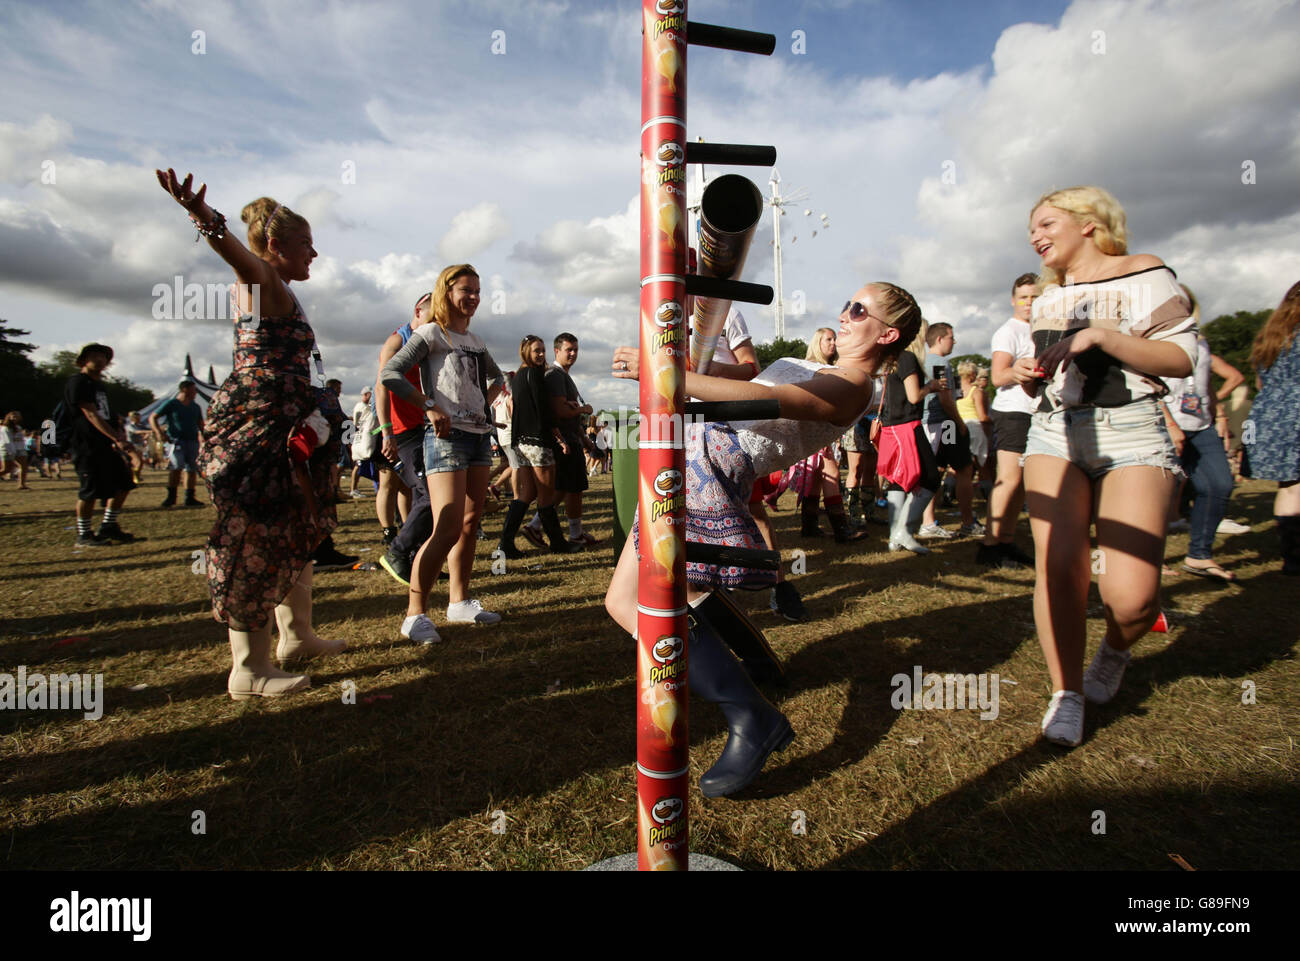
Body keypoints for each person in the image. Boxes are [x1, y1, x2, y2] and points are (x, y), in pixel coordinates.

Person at [607, 282, 922, 796]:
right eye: (846, 302)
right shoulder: (818, 364)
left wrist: (668, 375)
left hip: (707, 469)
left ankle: (750, 714)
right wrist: (669, 359)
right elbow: (742, 377)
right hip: (690, 457)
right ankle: (752, 683)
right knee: (633, 599)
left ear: (887, 333)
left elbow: (770, 398)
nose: (844, 312)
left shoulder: (855, 384)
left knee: (648, 599)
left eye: (858, 309)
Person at [156, 169, 348, 699]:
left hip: (285, 422)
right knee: (256, 537)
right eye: (305, 244)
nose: (315, 253)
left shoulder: (279, 285)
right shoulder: (260, 277)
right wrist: (203, 217)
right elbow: (234, 255)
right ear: (272, 245)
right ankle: (249, 669)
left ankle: (296, 636)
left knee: (294, 530)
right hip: (262, 429)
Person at [1021, 186, 1195, 748]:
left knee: (1134, 596)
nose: (1035, 237)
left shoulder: (1144, 271)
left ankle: (1115, 651)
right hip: (1055, 431)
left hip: (1132, 431)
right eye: (1031, 230)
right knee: (1059, 567)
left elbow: (1180, 357)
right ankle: (1065, 692)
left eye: (1046, 223)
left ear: (1088, 223)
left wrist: (1101, 335)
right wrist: (1030, 376)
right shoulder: (1048, 298)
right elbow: (1053, 371)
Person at [380, 263, 506, 641]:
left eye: (478, 291)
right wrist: (429, 405)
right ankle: (415, 614)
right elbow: (390, 373)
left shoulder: (476, 341)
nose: (473, 298)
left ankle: (459, 603)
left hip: (478, 438)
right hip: (445, 439)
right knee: (447, 525)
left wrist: (480, 407)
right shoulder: (430, 333)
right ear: (446, 291)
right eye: (466, 290)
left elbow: (498, 378)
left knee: (470, 524)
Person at [1161, 285, 1246, 581]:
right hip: (1164, 425)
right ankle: (1148, 558)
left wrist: (1220, 414)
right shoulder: (1153, 339)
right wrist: (1169, 423)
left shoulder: (1200, 341)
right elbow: (1146, 385)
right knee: (1158, 496)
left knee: (1220, 485)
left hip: (1202, 424)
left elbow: (1206, 382)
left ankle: (1199, 555)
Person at [978, 274, 1040, 568]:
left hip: (1037, 411)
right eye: (1024, 297)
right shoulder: (1009, 331)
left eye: (1036, 297)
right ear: (1014, 300)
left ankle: (1006, 540)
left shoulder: (1042, 329)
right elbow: (998, 376)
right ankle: (990, 546)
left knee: (1023, 483)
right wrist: (1021, 370)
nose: (1029, 303)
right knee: (1009, 479)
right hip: (1014, 411)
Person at [499, 336, 580, 558]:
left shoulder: (518, 377)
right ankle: (557, 542)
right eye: (537, 351)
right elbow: (543, 410)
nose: (541, 355)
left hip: (520, 442)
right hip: (537, 441)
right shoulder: (535, 375)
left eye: (543, 350)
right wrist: (559, 437)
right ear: (525, 351)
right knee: (546, 494)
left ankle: (505, 543)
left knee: (527, 494)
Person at [377, 294, 437, 586]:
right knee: (427, 492)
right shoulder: (397, 341)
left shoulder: (425, 342)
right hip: (402, 431)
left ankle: (417, 559)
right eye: (434, 317)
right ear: (418, 311)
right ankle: (398, 553)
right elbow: (381, 387)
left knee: (428, 492)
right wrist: (386, 431)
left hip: (423, 427)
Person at [520, 333, 600, 547]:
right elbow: (560, 410)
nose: (573, 353)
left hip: (571, 437)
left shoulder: (562, 375)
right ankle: (546, 528)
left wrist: (584, 438)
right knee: (569, 488)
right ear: (557, 351)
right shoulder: (555, 375)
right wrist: (584, 409)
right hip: (564, 440)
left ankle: (546, 528)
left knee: (568, 487)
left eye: (576, 349)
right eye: (568, 350)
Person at [1242, 280, 1300, 575]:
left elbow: (1260, 382)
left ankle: (1291, 556)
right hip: (1296, 411)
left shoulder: (1272, 337)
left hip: (1270, 413)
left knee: (1289, 488)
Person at [876, 319, 943, 554]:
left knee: (898, 481)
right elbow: (914, 396)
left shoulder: (893, 360)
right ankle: (904, 531)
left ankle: (895, 537)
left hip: (891, 428)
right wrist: (932, 386)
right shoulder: (908, 358)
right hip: (907, 426)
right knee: (930, 477)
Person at [64, 344, 137, 546]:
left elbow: (106, 414)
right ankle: (84, 534)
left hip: (107, 445)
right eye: (94, 355)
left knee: (124, 484)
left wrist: (119, 432)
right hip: (87, 445)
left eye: (103, 356)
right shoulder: (78, 382)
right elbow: (90, 414)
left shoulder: (99, 386)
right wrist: (117, 438)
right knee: (89, 491)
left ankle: (108, 526)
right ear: (83, 360)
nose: (99, 359)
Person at [917, 323, 980, 538]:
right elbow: (945, 397)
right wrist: (960, 423)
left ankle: (927, 522)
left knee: (934, 471)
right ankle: (968, 523)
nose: (954, 341)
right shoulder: (941, 363)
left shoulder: (922, 360)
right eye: (951, 337)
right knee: (964, 469)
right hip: (944, 423)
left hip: (929, 422)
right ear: (939, 339)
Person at [150, 379, 205, 507]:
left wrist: (205, 437)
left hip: (192, 441)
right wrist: (159, 432)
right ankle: (171, 497)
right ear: (185, 389)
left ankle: (189, 497)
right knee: (176, 467)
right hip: (176, 440)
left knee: (191, 469)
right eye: (194, 389)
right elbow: (153, 417)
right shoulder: (172, 404)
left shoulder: (195, 406)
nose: (196, 392)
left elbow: (200, 424)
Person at [1, 412, 31, 489]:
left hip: (20, 449)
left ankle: (22, 485)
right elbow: (7, 441)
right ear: (9, 417)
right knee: (6, 470)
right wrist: (12, 452)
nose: (15, 418)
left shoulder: (18, 428)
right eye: (13, 416)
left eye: (17, 416)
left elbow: (21, 440)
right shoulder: (5, 428)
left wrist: (23, 449)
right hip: (8, 449)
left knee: (24, 466)